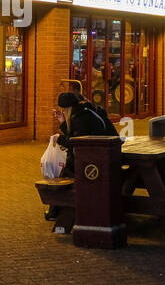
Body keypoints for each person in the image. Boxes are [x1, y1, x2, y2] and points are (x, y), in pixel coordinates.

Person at [45, 92, 116, 220]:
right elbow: (78, 135)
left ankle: (56, 212)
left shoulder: (80, 119)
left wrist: (59, 138)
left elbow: (76, 143)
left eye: (63, 110)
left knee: (62, 175)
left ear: (67, 108)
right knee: (65, 172)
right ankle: (55, 211)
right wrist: (63, 122)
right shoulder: (89, 111)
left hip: (94, 160)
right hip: (109, 152)